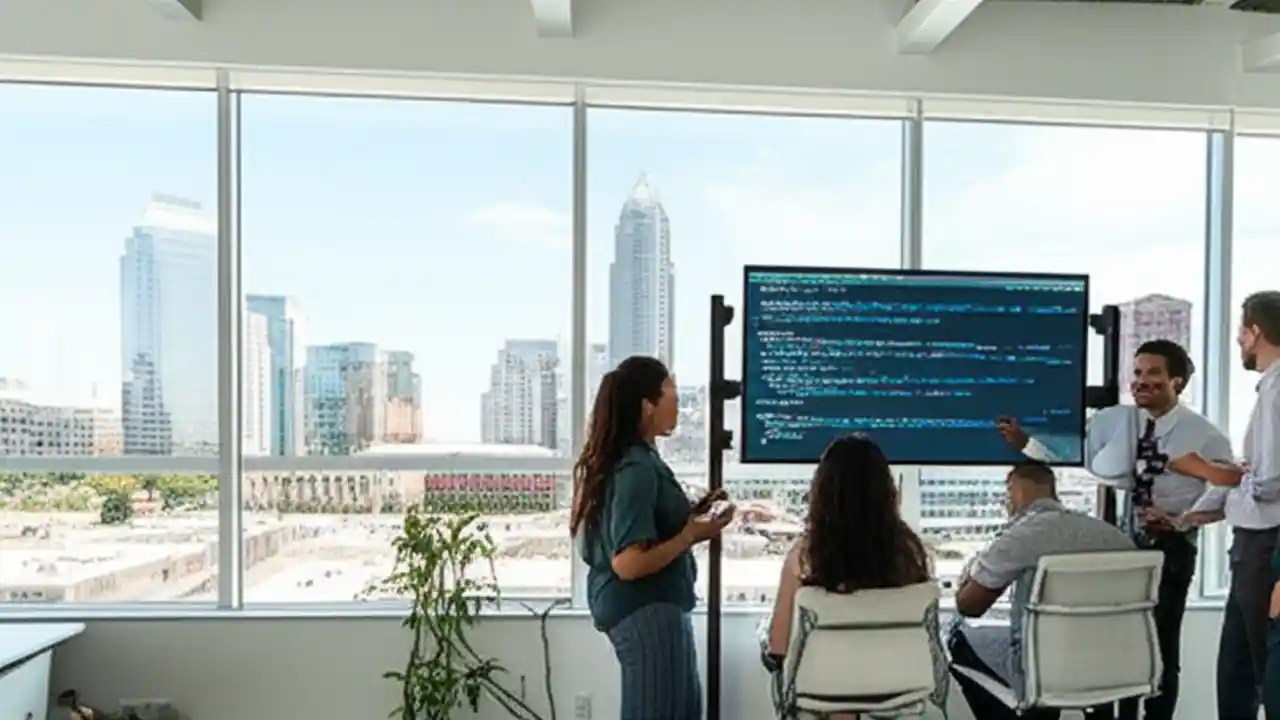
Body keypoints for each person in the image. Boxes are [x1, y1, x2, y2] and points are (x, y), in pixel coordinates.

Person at [997, 339, 1233, 720]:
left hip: (1170, 550)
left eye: (1153, 373)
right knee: (1109, 643)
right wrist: (1026, 443)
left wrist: (1182, 520)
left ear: (1177, 381)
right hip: (1117, 546)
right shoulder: (1118, 421)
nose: (1141, 381)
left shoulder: (1204, 435)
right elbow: (1072, 451)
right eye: (1137, 373)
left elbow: (1229, 490)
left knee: (1159, 650)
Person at [571, 355, 736, 720]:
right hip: (646, 613)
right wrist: (691, 535)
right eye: (671, 389)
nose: (678, 399)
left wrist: (692, 514)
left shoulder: (634, 461)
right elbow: (628, 562)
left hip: (651, 610)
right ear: (648, 406)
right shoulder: (636, 468)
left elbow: (645, 525)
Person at [759, 434, 947, 719]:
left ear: (823, 489)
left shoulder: (805, 555)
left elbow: (779, 645)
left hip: (823, 701)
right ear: (886, 491)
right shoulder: (909, 552)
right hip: (897, 698)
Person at [1168, 290, 1280, 720]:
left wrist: (1206, 470)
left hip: (1263, 548)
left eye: (1240, 331)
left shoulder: (1274, 391)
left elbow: (1268, 483)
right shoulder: (1268, 389)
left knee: (1263, 671)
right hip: (1251, 548)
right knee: (1234, 672)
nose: (1237, 341)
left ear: (1256, 333)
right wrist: (1192, 514)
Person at [950, 461, 1134, 720]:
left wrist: (972, 570)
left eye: (1007, 494)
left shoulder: (1022, 535)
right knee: (1088, 657)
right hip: (1113, 665)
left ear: (1017, 490)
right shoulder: (1116, 538)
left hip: (1043, 666)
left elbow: (969, 606)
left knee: (957, 637)